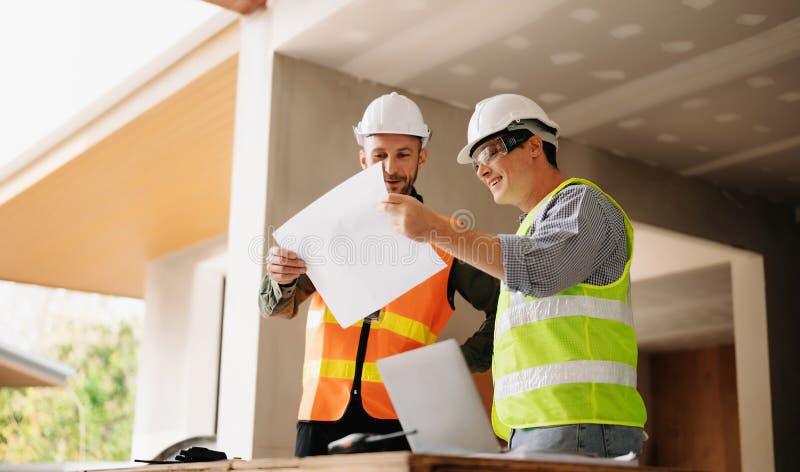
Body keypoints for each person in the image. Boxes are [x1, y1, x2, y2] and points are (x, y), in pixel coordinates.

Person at [381, 93, 647, 457]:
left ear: (534, 145)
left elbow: (542, 269)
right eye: (476, 163)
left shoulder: (583, 204)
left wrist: (436, 229)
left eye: (490, 152)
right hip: (537, 431)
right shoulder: (530, 230)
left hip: (580, 423)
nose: (481, 170)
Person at [259, 92, 500, 457]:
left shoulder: (447, 238)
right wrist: (282, 278)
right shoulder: (326, 226)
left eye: (403, 154)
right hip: (321, 416)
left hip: (399, 418)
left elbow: (505, 309)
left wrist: (456, 364)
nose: (390, 168)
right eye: (379, 155)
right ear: (363, 159)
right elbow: (276, 307)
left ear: (421, 157)